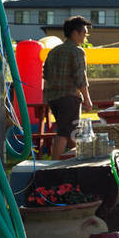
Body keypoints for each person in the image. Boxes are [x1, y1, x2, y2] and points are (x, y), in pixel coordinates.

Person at [43, 15, 93, 159]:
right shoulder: (77, 51)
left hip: (53, 99)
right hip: (69, 98)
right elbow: (80, 78)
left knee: (71, 131)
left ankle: (77, 161)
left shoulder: (53, 52)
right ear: (75, 33)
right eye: (84, 32)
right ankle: (52, 168)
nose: (85, 36)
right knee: (64, 133)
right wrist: (87, 99)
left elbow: (45, 75)